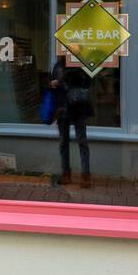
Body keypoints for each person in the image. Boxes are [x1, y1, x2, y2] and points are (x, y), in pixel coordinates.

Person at [50, 58, 93, 187]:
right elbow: (53, 85)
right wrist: (52, 84)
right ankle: (66, 174)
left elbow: (87, 82)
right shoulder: (58, 64)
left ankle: (86, 176)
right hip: (63, 108)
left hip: (78, 107)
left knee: (82, 141)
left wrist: (62, 80)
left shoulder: (79, 62)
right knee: (63, 142)